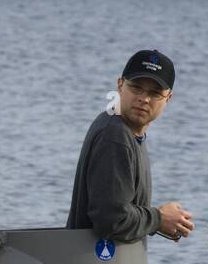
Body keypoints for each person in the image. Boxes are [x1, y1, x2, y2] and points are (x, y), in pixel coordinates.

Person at [66, 50, 193, 244]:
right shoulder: (115, 136)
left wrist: (155, 224)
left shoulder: (125, 130)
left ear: (168, 98)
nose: (144, 98)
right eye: (136, 88)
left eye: (155, 93)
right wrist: (159, 219)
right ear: (120, 85)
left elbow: (119, 214)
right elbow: (111, 220)